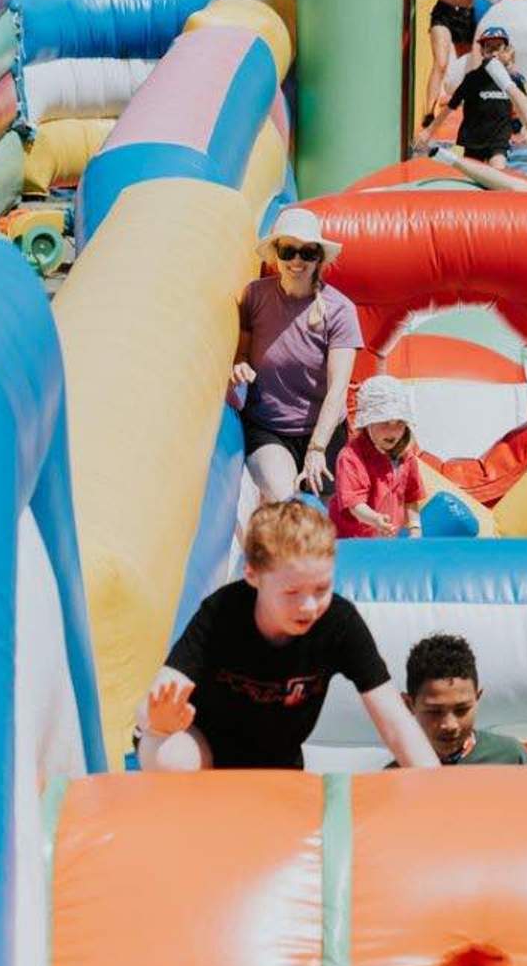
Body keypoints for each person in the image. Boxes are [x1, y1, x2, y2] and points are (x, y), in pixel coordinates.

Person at [138, 501, 441, 770]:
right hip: (207, 751)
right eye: (291, 592)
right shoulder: (222, 613)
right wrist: (157, 720)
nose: (309, 606)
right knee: (167, 751)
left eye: (321, 589)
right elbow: (155, 700)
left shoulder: (338, 622)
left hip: (278, 765)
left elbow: (394, 721)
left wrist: (433, 786)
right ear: (252, 575)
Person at [236, 206, 361, 503]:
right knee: (285, 497)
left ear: (318, 258)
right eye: (288, 251)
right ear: (275, 253)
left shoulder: (340, 310)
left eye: (307, 253)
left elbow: (337, 390)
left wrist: (317, 449)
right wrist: (241, 364)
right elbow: (241, 350)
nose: (296, 261)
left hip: (323, 430)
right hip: (269, 427)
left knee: (319, 515)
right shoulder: (255, 296)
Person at [399, 632, 527, 767]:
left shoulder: (511, 759)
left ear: (477, 698)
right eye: (435, 712)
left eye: (461, 710)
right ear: (409, 705)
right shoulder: (399, 774)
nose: (450, 725)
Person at [329, 374, 429, 540]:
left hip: (386, 537)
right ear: (368, 423)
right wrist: (375, 519)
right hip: (352, 540)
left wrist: (415, 529)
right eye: (384, 423)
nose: (393, 432)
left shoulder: (406, 456)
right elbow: (354, 504)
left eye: (399, 423)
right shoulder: (351, 457)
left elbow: (412, 497)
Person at [421, 26, 525, 167]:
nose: (493, 52)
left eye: (498, 47)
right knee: (474, 179)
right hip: (473, 141)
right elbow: (451, 106)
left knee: (498, 170)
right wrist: (429, 131)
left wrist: (525, 132)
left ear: (505, 50)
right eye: (489, 47)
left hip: (498, 142)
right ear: (482, 51)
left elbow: (523, 108)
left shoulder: (512, 80)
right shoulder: (472, 79)